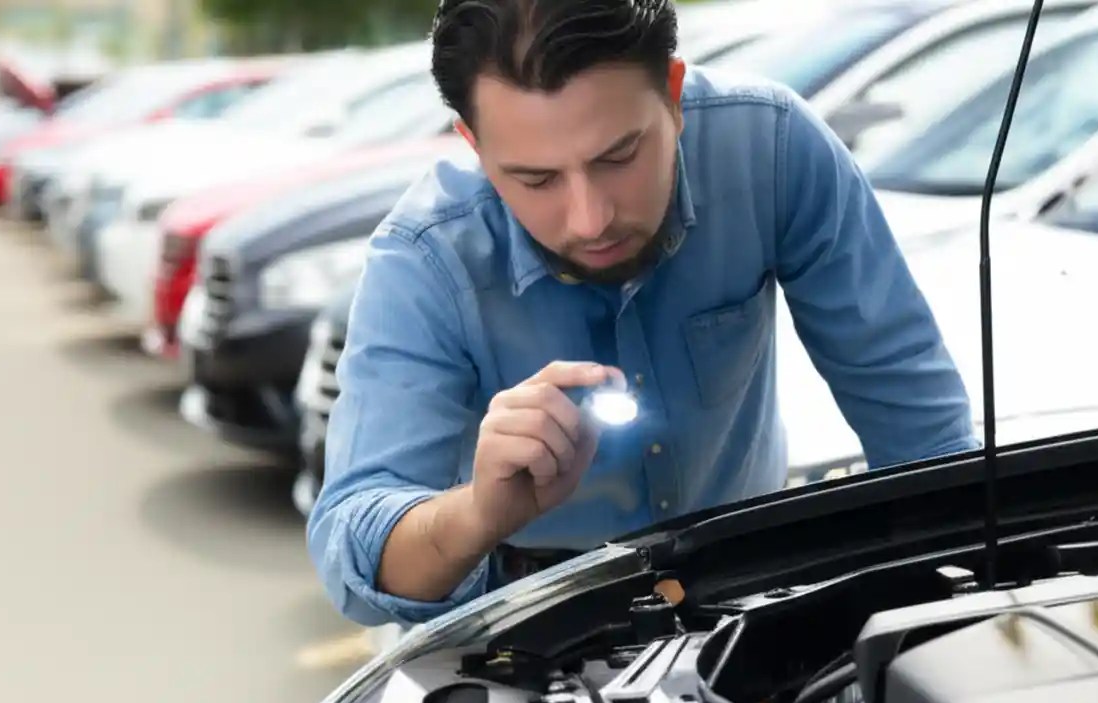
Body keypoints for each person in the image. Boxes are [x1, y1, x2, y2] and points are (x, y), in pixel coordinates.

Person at [308, 0, 979, 627]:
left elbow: (919, 428)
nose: (591, 219)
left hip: (747, 588)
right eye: (536, 180)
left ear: (675, 93)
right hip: (521, 622)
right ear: (473, 145)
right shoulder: (424, 259)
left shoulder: (773, 149)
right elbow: (350, 543)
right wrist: (477, 513)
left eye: (618, 156)